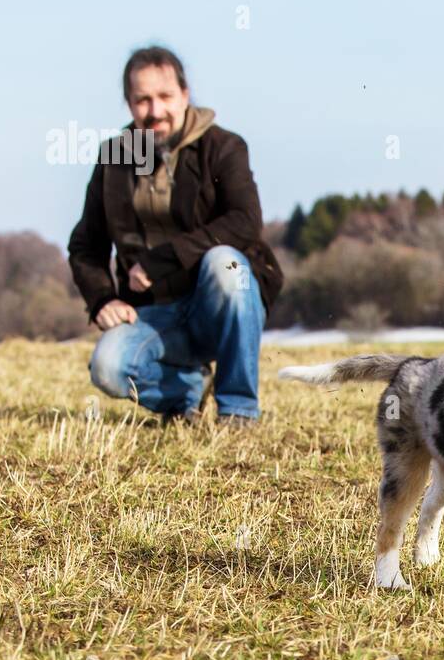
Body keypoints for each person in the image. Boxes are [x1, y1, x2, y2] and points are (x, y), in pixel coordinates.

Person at [68, 46, 283, 423]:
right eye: (142, 100)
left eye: (165, 96)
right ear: (129, 104)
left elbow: (245, 221)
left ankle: (237, 410)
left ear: (184, 94)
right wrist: (102, 299)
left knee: (226, 263)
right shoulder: (115, 157)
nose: (155, 111)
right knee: (107, 367)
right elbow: (86, 244)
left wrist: (159, 260)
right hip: (154, 313)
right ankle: (186, 389)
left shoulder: (223, 147)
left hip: (219, 307)